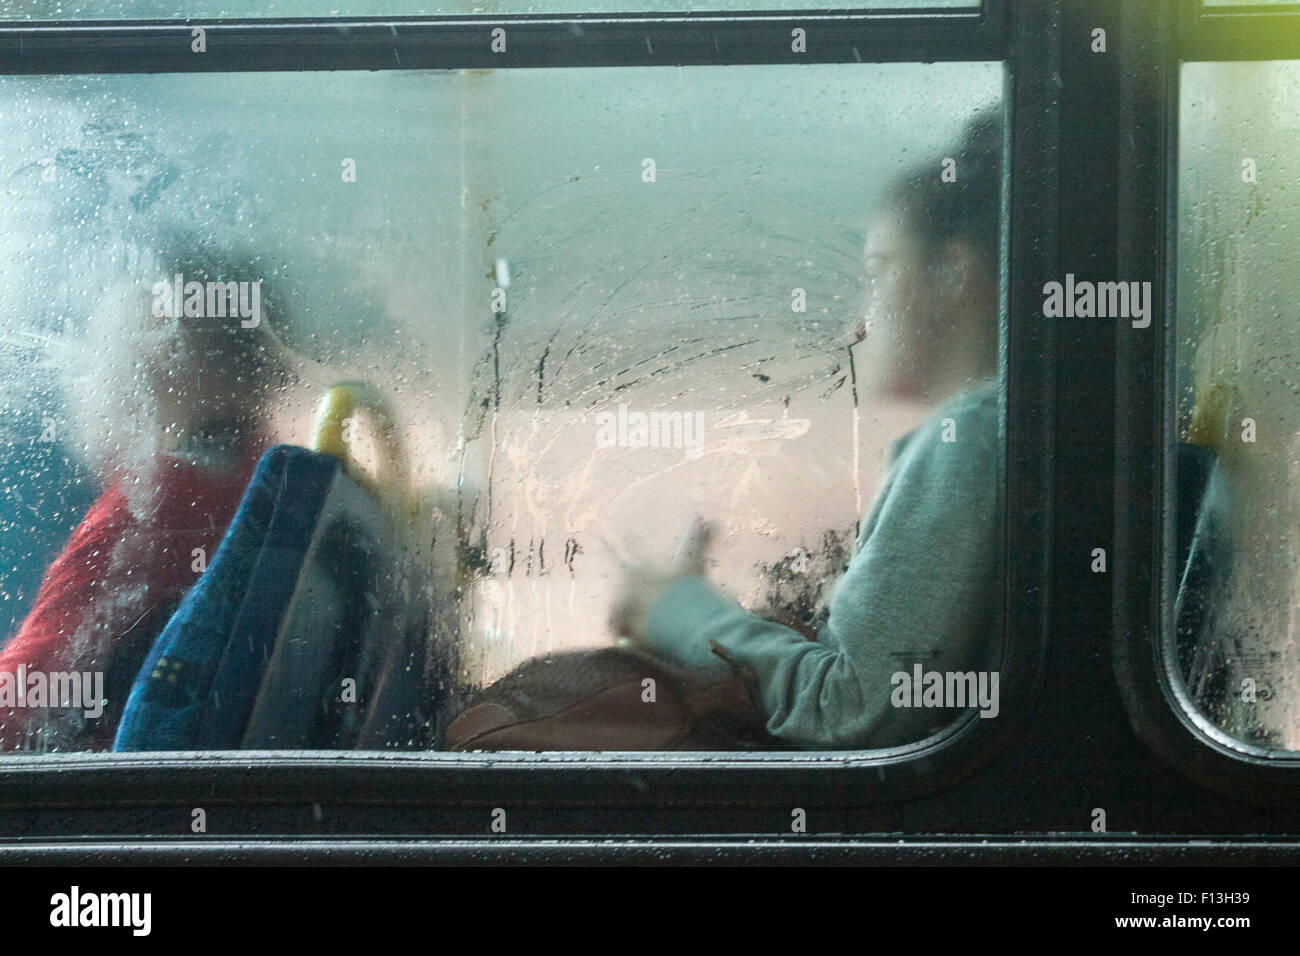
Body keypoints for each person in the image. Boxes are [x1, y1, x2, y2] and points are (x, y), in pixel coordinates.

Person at [610, 109, 1003, 750]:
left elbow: (850, 706)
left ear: (954, 273)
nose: (857, 325)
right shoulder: (998, 433)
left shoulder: (973, 437)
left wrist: (677, 609)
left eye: (878, 271)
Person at [0, 239, 300, 752]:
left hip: (97, 809)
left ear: (160, 358)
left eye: (108, 345)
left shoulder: (150, 505)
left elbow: (20, 698)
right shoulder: (272, 482)